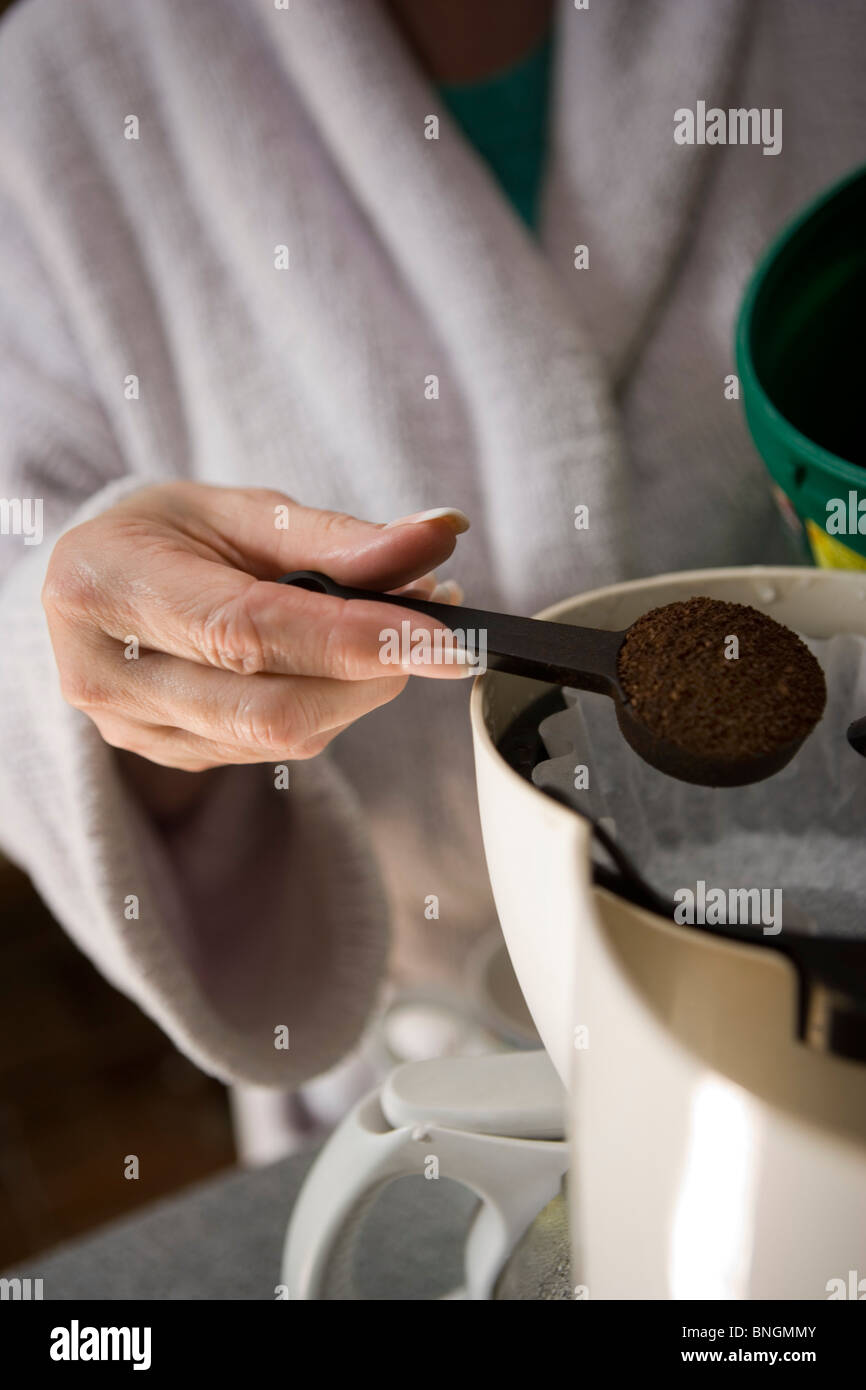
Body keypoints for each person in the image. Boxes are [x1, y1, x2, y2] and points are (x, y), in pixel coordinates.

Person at [0, 0, 863, 1153]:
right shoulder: (68, 82)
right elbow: (26, 596)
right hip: (420, 1084)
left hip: (821, 1030)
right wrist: (131, 678)